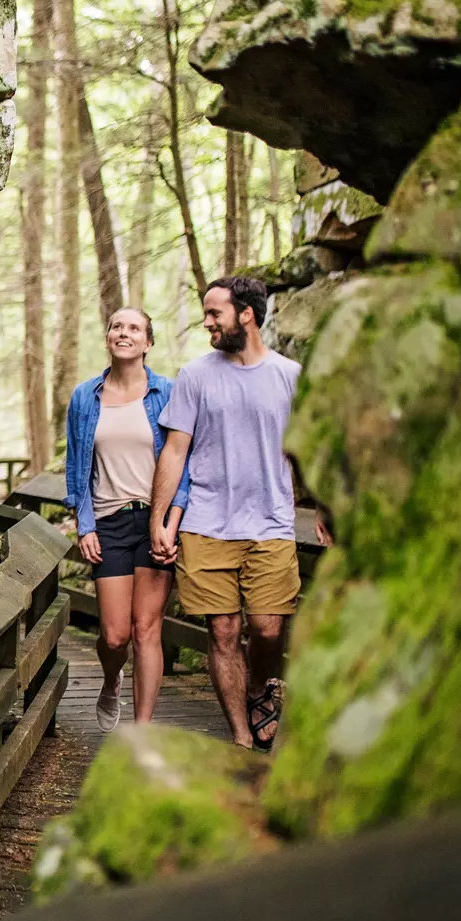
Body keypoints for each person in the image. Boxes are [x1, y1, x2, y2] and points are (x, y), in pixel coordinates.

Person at [149, 276, 328, 751]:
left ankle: (256, 687)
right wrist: (159, 516)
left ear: (246, 314)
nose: (207, 322)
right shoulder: (195, 376)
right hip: (207, 524)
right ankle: (242, 736)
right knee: (223, 631)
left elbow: (308, 450)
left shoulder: (289, 376)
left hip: (271, 523)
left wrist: (326, 505)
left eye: (215, 313)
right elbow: (174, 451)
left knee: (269, 630)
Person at [64, 307, 189, 733]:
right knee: (115, 636)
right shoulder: (85, 396)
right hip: (109, 522)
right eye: (117, 326)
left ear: (147, 343)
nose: (124, 332)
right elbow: (76, 465)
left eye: (134, 328)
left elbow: (183, 463)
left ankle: (142, 735)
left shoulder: (168, 392)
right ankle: (112, 677)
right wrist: (85, 524)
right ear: (108, 337)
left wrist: (172, 521)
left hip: (155, 524)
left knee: (146, 630)